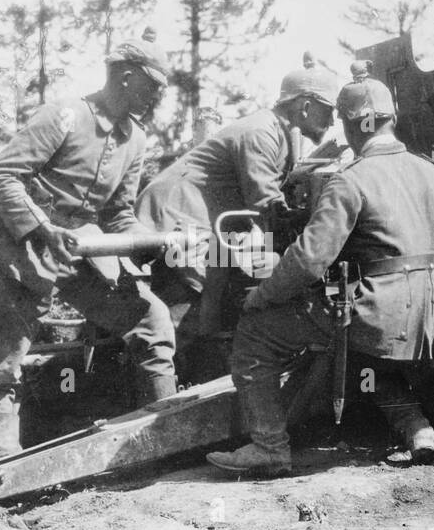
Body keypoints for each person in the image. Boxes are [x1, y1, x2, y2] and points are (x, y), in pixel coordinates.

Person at [206, 61, 434, 474]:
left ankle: (268, 446)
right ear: (392, 119)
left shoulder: (350, 180)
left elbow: (308, 260)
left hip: (380, 313)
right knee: (361, 348)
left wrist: (262, 296)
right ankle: (418, 431)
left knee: (256, 334)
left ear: (352, 127)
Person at [0, 32, 178, 464]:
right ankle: (0, 468)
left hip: (77, 249)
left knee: (150, 321)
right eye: (151, 85)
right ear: (124, 76)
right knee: (7, 359)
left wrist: (147, 242)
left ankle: (168, 436)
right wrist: (42, 229)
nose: (157, 96)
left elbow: (118, 212)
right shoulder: (64, 114)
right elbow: (1, 177)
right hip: (18, 245)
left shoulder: (134, 140)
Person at [136, 54, 338, 378]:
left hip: (207, 221)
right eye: (328, 110)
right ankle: (154, 388)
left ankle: (187, 377)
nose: (331, 121)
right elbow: (266, 207)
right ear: (305, 106)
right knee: (189, 301)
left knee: (211, 305)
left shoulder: (278, 132)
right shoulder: (262, 132)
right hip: (177, 213)